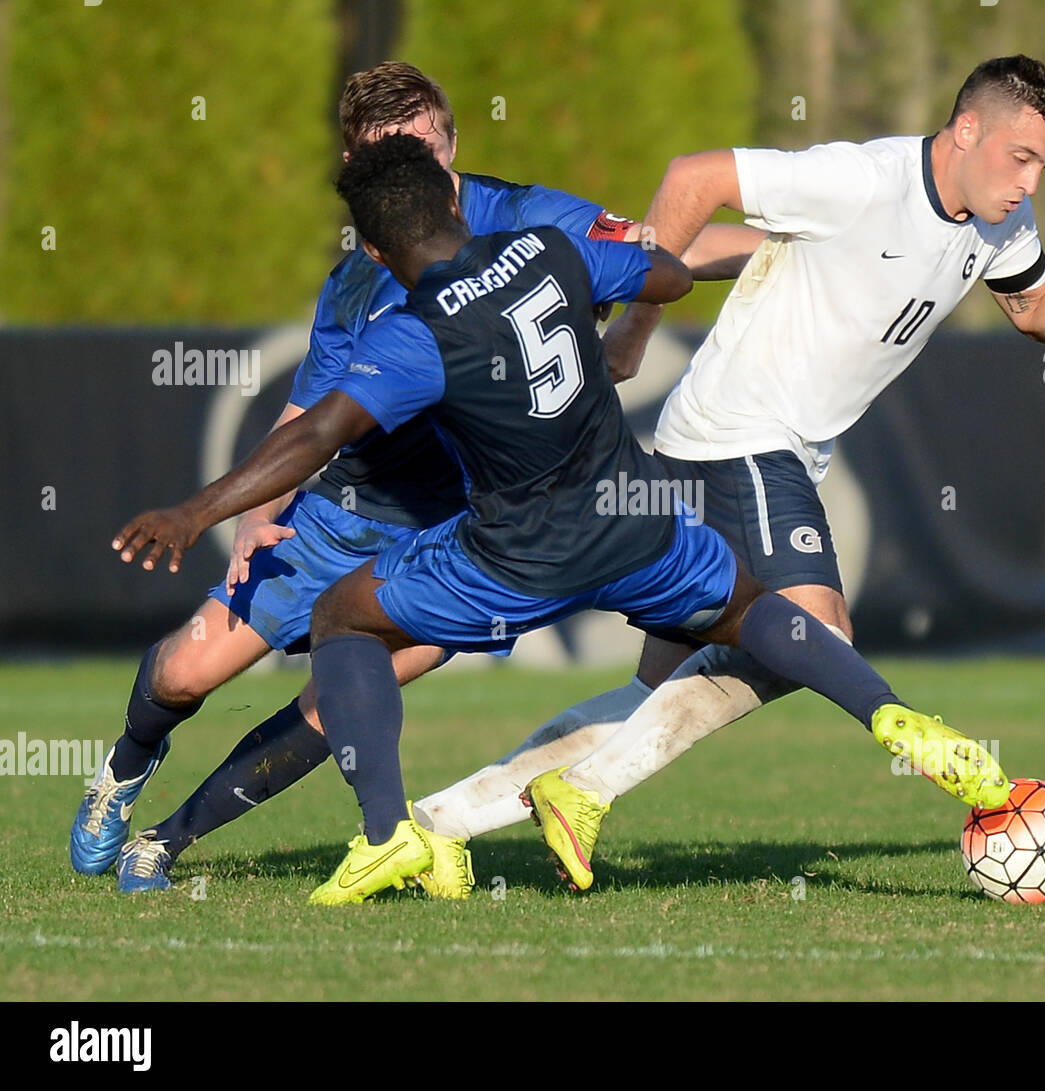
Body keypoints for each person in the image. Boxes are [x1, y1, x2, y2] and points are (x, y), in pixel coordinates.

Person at [112, 134, 1008, 904]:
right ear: (454, 203)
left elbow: (315, 434)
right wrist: (603, 308)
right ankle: (889, 713)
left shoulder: (413, 333)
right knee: (750, 609)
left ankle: (388, 830)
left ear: (379, 255)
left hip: (516, 558)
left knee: (341, 614)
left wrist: (196, 510)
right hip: (638, 527)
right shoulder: (550, 248)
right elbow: (664, 268)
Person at [416, 53, 1045, 892]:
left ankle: (445, 819)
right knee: (813, 632)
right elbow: (694, 177)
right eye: (1020, 158)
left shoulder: (998, 226)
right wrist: (635, 320)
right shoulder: (860, 179)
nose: (1029, 183)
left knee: (657, 693)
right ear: (967, 129)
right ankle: (584, 789)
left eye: (1044, 168)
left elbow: (1039, 309)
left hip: (753, 444)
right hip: (741, 435)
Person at [73, 61, 756, 895]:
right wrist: (255, 513)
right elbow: (312, 413)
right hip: (350, 508)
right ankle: (121, 771)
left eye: (421, 147)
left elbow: (658, 248)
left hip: (464, 532)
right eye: (382, 155)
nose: (406, 169)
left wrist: (796, 253)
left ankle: (166, 842)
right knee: (185, 673)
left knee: (334, 704)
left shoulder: (529, 217)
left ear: (454, 145)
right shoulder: (361, 267)